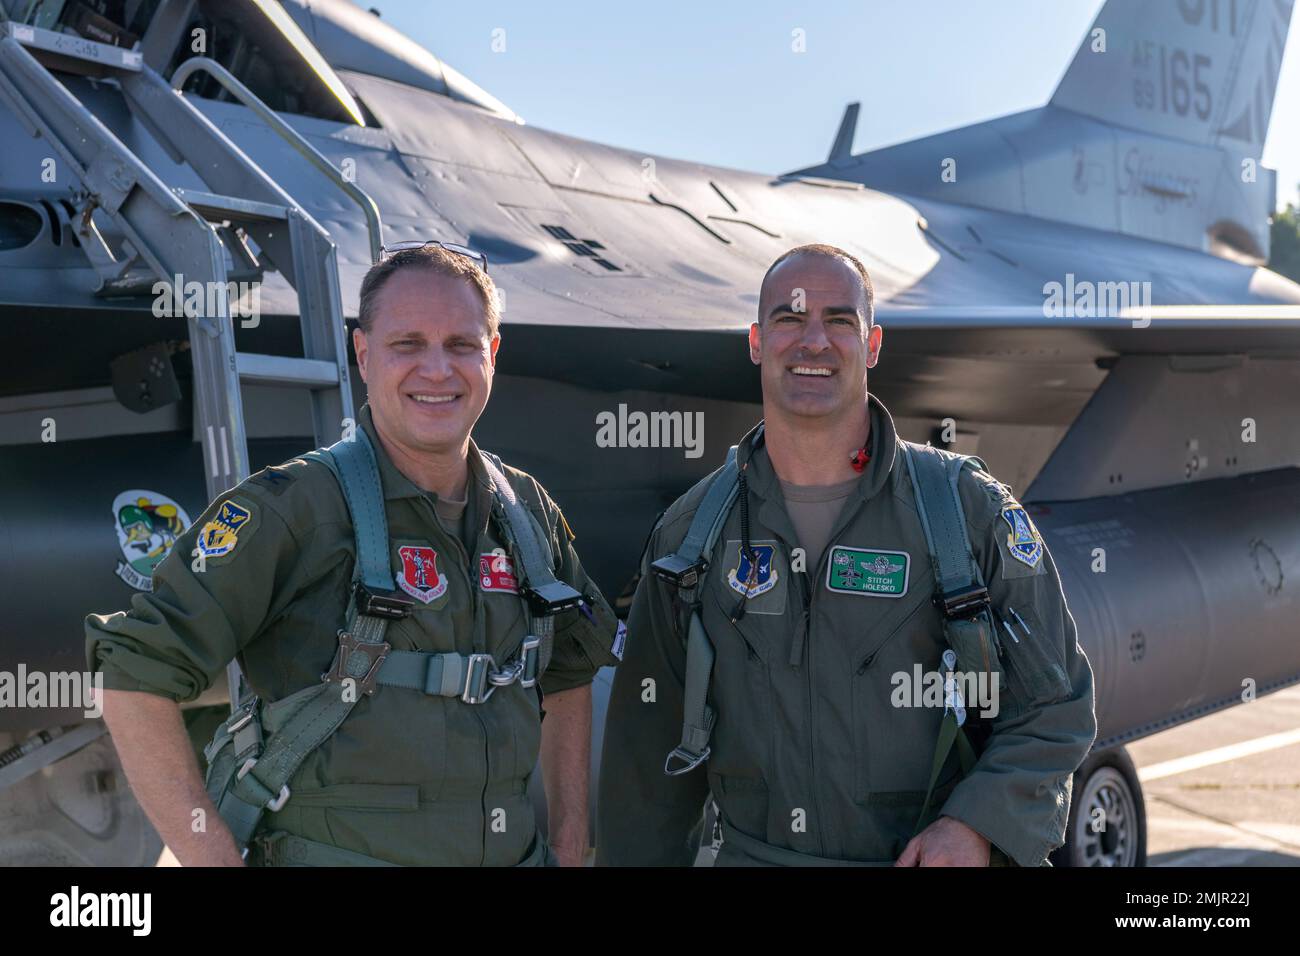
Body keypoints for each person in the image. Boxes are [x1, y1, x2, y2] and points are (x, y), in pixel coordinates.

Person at [87, 243, 621, 866]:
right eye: (407, 345)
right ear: (363, 355)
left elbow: (569, 675)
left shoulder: (526, 515)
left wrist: (569, 847)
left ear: (492, 355)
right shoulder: (294, 508)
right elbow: (134, 674)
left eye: (460, 345)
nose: (437, 371)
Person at [596, 243, 1096, 867]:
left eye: (839, 321)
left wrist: (978, 825)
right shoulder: (691, 536)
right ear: (755, 340)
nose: (814, 342)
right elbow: (647, 768)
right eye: (788, 319)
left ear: (873, 344)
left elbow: (1056, 705)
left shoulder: (964, 511)